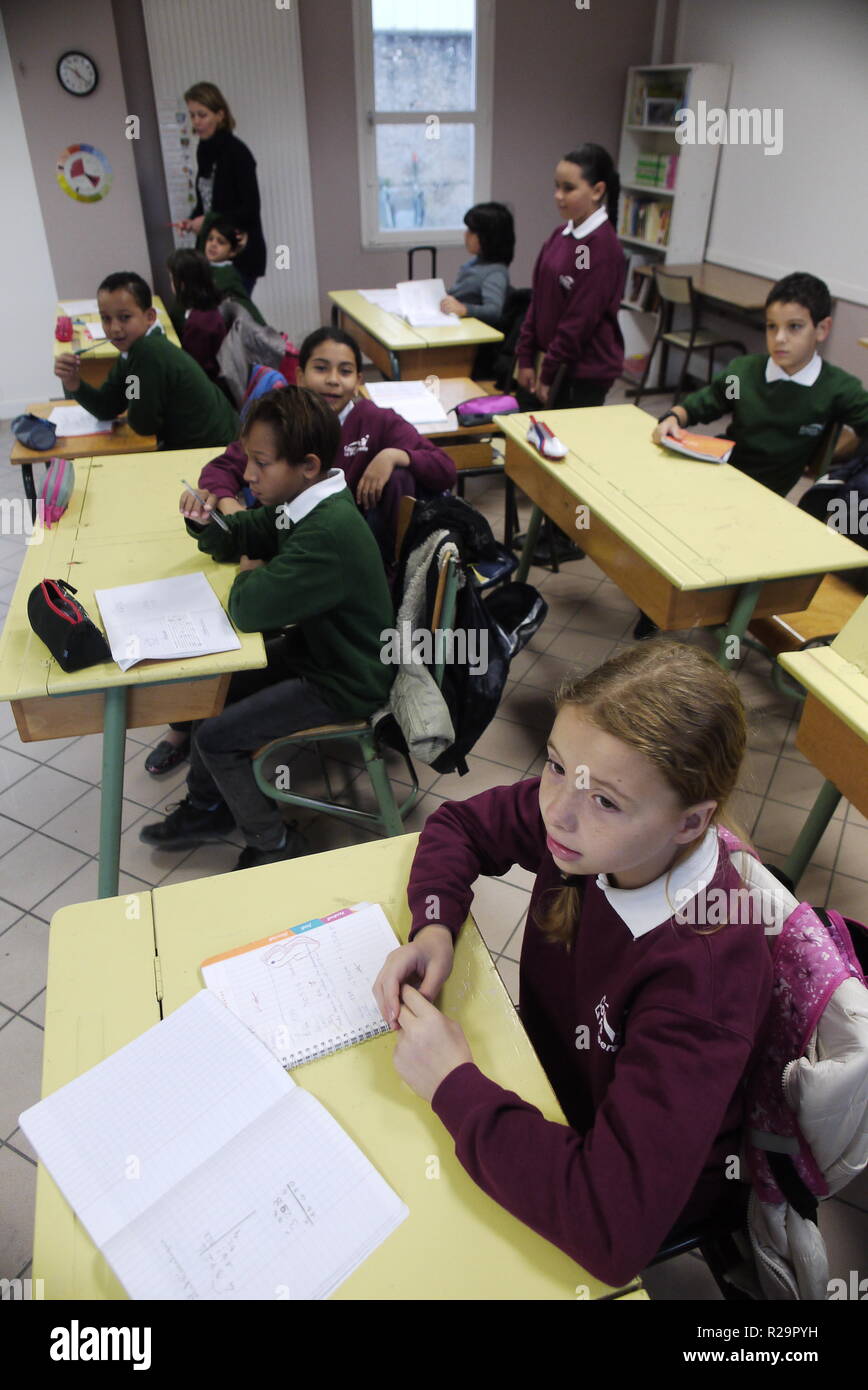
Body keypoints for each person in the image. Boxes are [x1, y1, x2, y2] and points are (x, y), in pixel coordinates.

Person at [373, 640, 774, 1287]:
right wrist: (435, 924)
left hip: (638, 1171)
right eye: (557, 765)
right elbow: (458, 827)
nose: (556, 811)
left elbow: (610, 1227)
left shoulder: (702, 975)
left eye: (606, 801)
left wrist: (453, 1082)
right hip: (548, 1082)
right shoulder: (586, 820)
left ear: (689, 822)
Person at [139, 387, 395, 870]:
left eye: (260, 463)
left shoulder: (326, 532)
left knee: (217, 735)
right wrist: (209, 520)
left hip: (345, 680)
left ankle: (275, 843)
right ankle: (208, 807)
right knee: (211, 690)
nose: (248, 475)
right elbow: (247, 533)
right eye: (247, 461)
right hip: (320, 654)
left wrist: (249, 571)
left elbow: (250, 608)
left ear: (308, 466)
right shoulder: (302, 503)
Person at [196, 328, 456, 561]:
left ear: (358, 382)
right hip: (278, 539)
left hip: (339, 554)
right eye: (321, 368)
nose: (333, 380)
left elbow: (445, 469)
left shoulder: (378, 421)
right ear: (300, 375)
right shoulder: (282, 419)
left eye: (345, 371)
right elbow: (220, 468)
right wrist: (230, 505)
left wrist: (395, 455)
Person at [652, 271, 868, 497]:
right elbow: (708, 402)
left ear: (822, 329)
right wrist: (674, 417)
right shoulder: (742, 373)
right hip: (719, 472)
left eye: (794, 327)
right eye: (771, 326)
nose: (779, 338)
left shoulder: (837, 388)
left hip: (764, 498)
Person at [54, 271, 237, 449]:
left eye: (124, 317)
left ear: (149, 317)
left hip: (214, 451)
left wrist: (133, 396)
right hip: (211, 443)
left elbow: (143, 424)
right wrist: (73, 382)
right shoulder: (133, 350)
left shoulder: (147, 352)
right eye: (106, 319)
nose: (114, 328)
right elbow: (106, 407)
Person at [516, 142, 625, 408]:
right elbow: (538, 301)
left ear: (598, 191)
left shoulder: (598, 247)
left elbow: (578, 321)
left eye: (569, 188)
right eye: (557, 186)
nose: (558, 196)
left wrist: (549, 371)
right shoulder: (560, 236)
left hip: (579, 374)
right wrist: (526, 356)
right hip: (551, 362)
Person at [179, 81, 265, 295]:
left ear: (220, 115)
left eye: (202, 114)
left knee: (232, 317)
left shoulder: (238, 153)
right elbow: (207, 202)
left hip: (238, 253)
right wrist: (192, 220)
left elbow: (250, 209)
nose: (196, 122)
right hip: (214, 252)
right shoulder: (204, 151)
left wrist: (207, 221)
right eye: (192, 115)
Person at [440, 203, 515, 326]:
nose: (466, 234)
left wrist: (464, 309)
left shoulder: (495, 273)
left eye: (471, 231)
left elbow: (494, 311)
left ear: (488, 237)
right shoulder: (476, 263)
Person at [166, 249, 226, 383]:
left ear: (183, 284)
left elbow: (193, 371)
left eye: (171, 279)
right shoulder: (206, 309)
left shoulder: (198, 324)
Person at [203, 217, 266, 325]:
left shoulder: (228, 274)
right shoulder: (207, 267)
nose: (213, 244)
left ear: (232, 252)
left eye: (221, 242)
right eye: (210, 239)